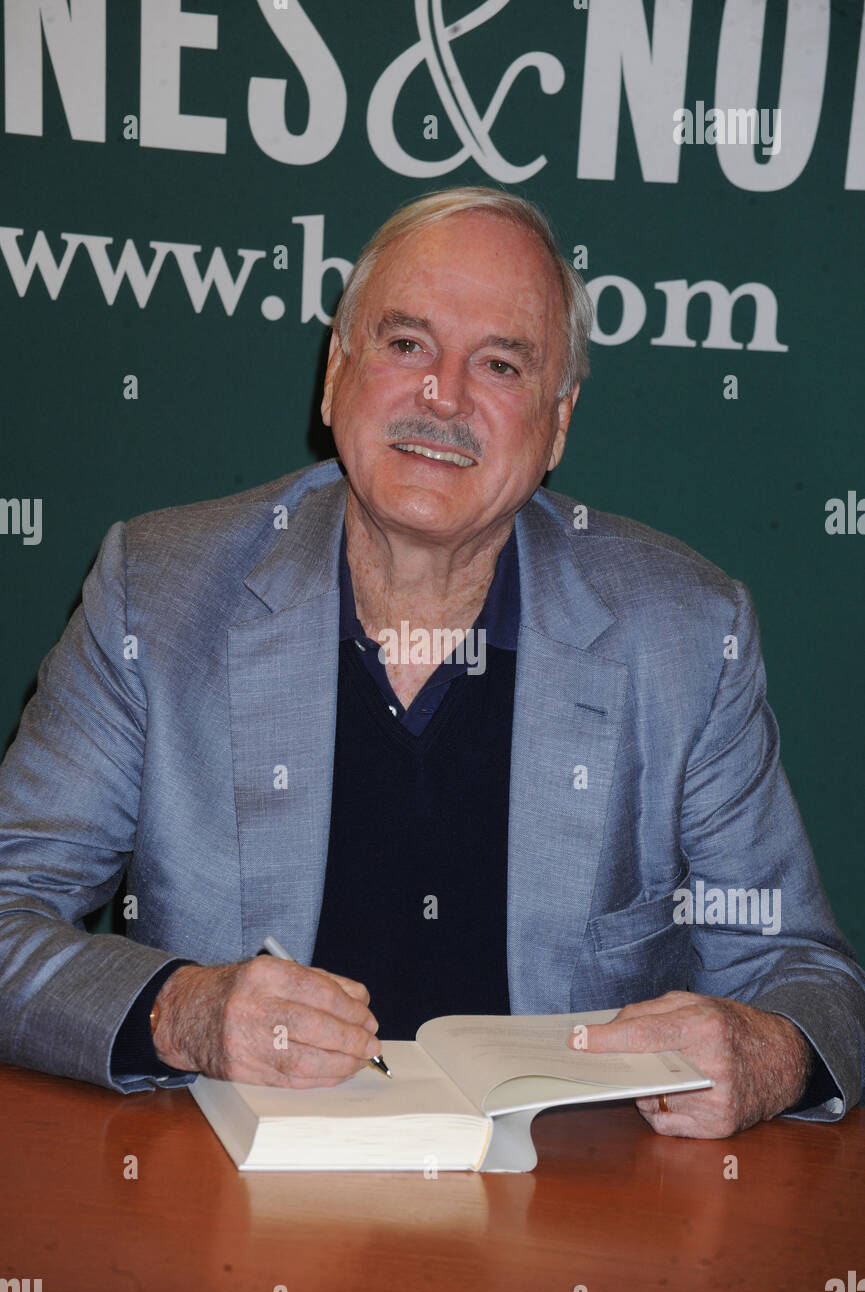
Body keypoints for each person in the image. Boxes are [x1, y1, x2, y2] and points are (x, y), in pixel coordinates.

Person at [0, 187, 862, 1140]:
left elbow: (804, 974)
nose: (442, 397)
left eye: (499, 363)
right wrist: (183, 1012)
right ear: (334, 375)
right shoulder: (157, 598)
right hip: (226, 1203)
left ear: (557, 422)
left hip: (570, 1229)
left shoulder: (686, 636)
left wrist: (761, 1052)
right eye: (405, 344)